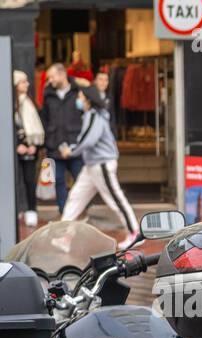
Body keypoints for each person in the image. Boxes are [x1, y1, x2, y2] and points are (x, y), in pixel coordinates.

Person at [59, 85, 139, 250]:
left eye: (80, 97)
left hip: (101, 164)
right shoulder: (92, 116)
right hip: (93, 165)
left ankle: (135, 233)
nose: (78, 100)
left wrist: (71, 151)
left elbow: (88, 140)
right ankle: (65, 237)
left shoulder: (95, 116)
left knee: (115, 199)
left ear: (88, 99)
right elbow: (87, 139)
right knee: (75, 198)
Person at [39, 64, 83, 214]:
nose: (50, 80)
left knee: (81, 181)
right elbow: (44, 118)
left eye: (52, 77)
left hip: (75, 145)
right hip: (54, 146)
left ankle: (79, 210)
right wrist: (46, 142)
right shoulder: (48, 93)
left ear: (62, 74)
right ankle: (65, 213)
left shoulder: (78, 90)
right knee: (57, 181)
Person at [12, 71, 44, 228]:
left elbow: (36, 126)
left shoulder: (30, 102)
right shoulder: (9, 103)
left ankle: (32, 211)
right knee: (13, 181)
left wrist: (34, 145)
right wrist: (16, 144)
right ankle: (17, 209)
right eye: (23, 82)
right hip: (15, 149)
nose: (27, 84)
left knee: (30, 180)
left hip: (30, 149)